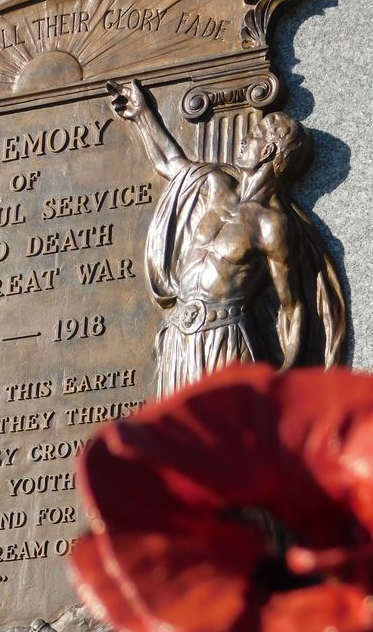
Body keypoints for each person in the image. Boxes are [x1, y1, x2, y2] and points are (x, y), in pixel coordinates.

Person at [107, 80, 345, 397]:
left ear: (270, 150)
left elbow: (293, 307)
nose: (245, 140)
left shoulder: (271, 225)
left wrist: (285, 375)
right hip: (179, 336)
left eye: (256, 136)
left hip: (225, 337)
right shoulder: (215, 186)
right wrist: (141, 114)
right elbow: (169, 164)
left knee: (220, 443)